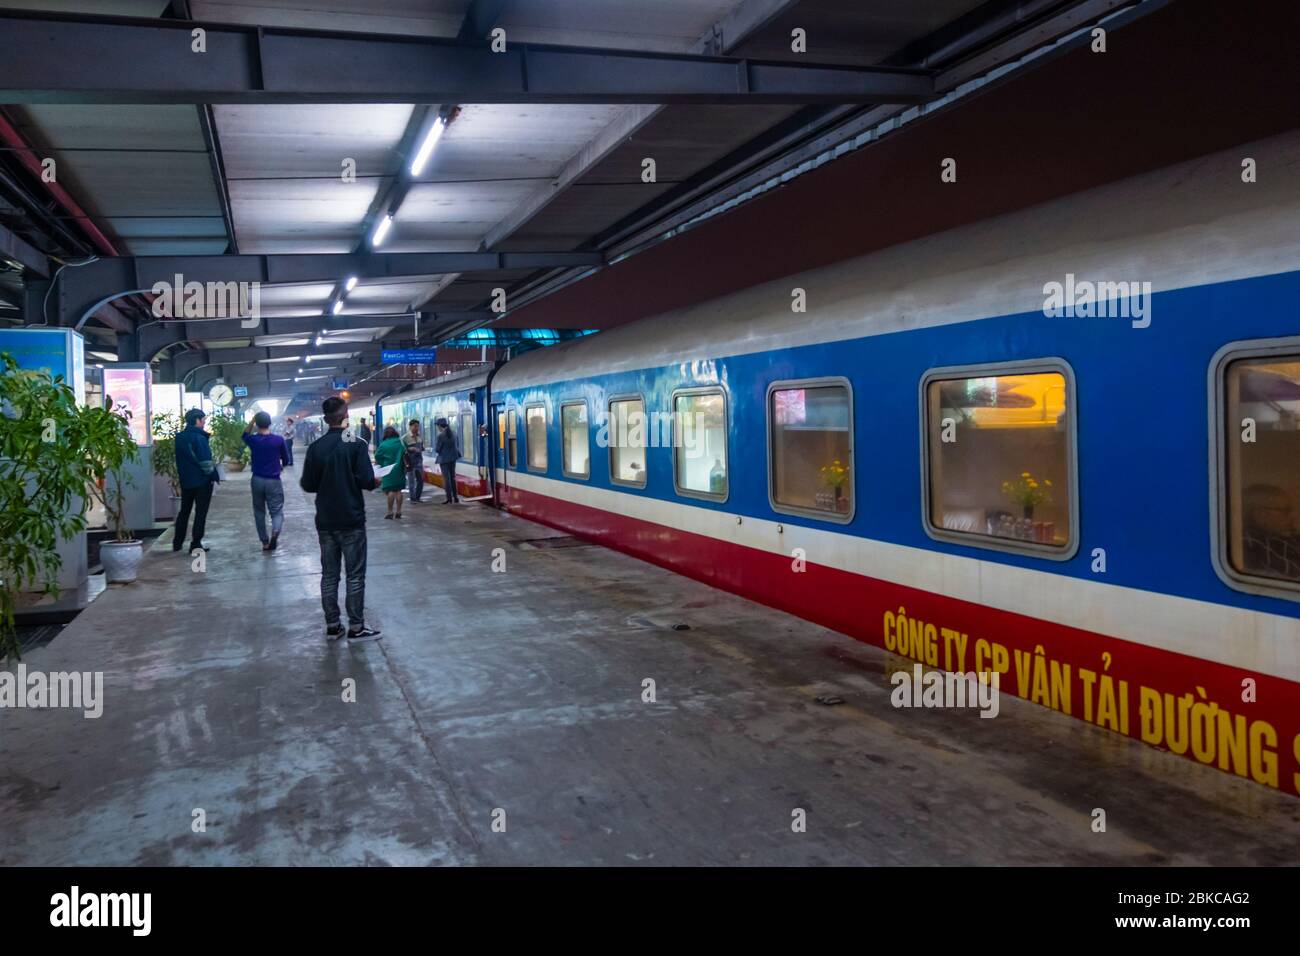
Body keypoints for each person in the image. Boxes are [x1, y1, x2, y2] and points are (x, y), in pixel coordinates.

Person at [299, 396, 382, 642]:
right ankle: (356, 627)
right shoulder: (355, 444)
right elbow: (368, 481)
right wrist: (372, 482)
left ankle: (333, 626)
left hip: (325, 520)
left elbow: (308, 484)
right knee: (355, 575)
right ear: (346, 417)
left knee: (329, 574)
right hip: (351, 519)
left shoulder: (316, 448)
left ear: (325, 420)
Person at [173, 408, 219, 553]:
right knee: (200, 512)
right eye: (203, 419)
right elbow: (205, 461)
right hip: (202, 482)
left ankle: (177, 542)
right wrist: (213, 475)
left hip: (186, 481)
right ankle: (196, 543)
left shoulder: (180, 437)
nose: (205, 422)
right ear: (197, 421)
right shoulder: (199, 438)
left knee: (184, 511)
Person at [243, 411, 290, 552]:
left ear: (257, 424)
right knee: (276, 511)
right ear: (270, 423)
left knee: (259, 512)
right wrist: (280, 466)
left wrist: (252, 422)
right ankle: (275, 531)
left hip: (257, 480)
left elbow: (244, 435)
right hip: (273, 480)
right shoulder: (278, 440)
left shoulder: (253, 440)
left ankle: (264, 542)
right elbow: (286, 459)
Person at [1242, 484, 1300, 580]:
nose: (1293, 516)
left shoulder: (1292, 538)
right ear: (1261, 514)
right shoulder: (1250, 543)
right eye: (1285, 511)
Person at [374, 425, 407, 519]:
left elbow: (377, 456)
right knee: (398, 490)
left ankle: (390, 512)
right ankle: (399, 511)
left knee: (391, 491)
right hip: (399, 469)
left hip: (388, 470)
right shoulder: (401, 442)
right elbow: (405, 453)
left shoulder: (384, 444)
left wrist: (382, 463)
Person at [434, 417, 461, 504]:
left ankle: (449, 498)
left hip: (444, 460)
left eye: (437, 426)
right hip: (453, 458)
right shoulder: (454, 433)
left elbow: (437, 449)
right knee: (453, 478)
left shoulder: (440, 436)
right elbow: (457, 445)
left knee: (446, 479)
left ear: (439, 426)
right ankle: (456, 497)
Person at [401, 418, 425, 503]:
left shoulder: (419, 437)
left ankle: (418, 497)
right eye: (415, 426)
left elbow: (422, 447)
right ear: (410, 426)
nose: (417, 428)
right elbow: (402, 450)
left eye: (418, 426)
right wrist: (409, 449)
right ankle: (413, 498)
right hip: (410, 462)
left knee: (421, 480)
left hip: (419, 462)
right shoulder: (405, 438)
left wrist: (421, 449)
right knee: (411, 481)